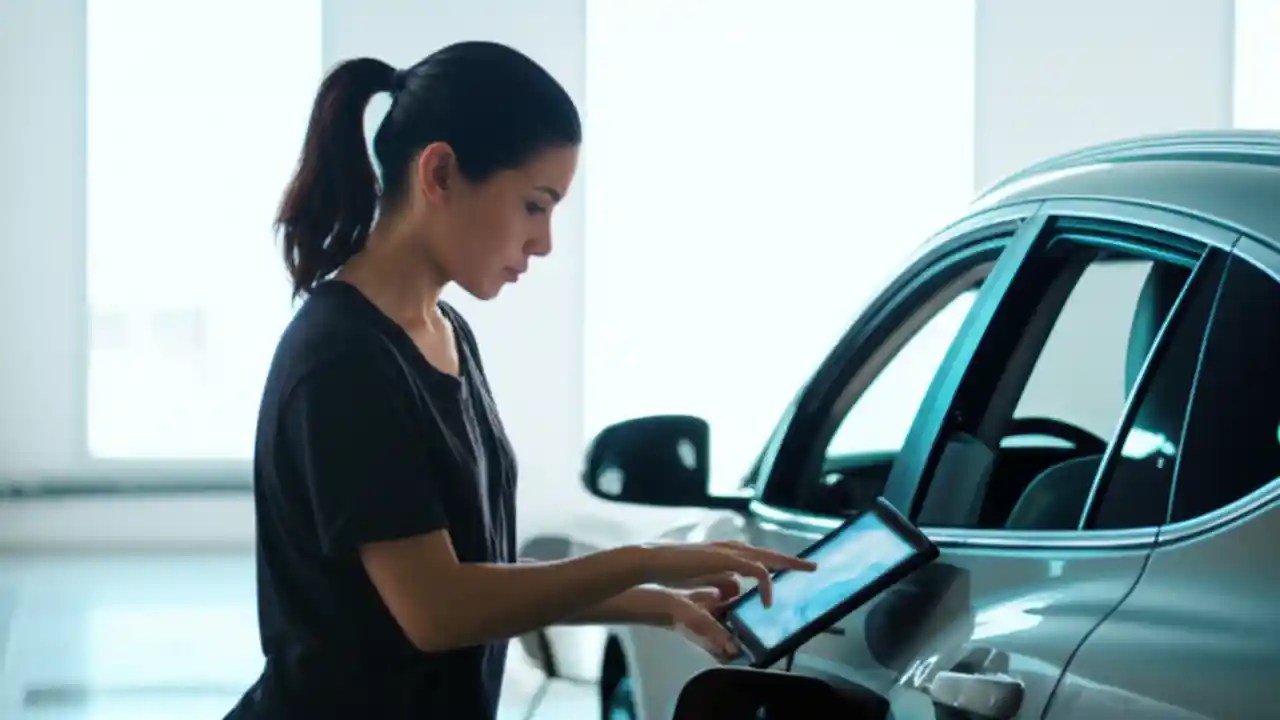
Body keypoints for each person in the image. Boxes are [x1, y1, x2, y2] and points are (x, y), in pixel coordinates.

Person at [224, 41, 815, 720]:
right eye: (535, 205)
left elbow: (478, 580)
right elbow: (438, 610)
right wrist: (643, 560)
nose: (545, 242)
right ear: (440, 173)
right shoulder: (342, 361)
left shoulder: (444, 331)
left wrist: (658, 606)